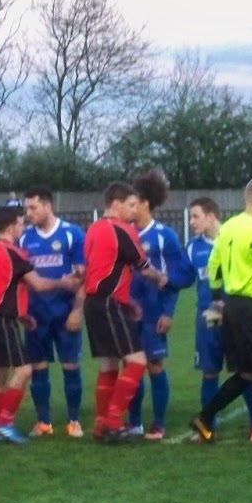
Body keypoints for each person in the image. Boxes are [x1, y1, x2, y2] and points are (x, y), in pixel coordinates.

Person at [187, 177, 252, 451]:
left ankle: (204, 417)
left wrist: (218, 297)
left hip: (230, 307)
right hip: (251, 308)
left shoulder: (229, 227)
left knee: (246, 374)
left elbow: (214, 263)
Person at [0, 204, 75, 444]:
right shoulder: (14, 253)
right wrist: (64, 282)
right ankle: (5, 423)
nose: (23, 227)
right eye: (21, 223)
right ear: (11, 226)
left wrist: (20, 315)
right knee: (24, 369)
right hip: (1, 320)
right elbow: (39, 284)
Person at [83, 182, 163, 443]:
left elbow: (103, 268)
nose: (134, 210)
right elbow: (143, 265)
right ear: (115, 204)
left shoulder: (93, 229)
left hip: (93, 303)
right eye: (130, 205)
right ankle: (114, 422)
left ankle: (100, 424)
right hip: (109, 305)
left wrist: (128, 300)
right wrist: (161, 277)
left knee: (108, 364)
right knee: (138, 362)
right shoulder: (123, 229)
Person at [127, 169, 193, 440]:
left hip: (154, 311)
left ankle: (159, 423)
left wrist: (168, 312)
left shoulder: (165, 236)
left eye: (133, 202)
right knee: (131, 366)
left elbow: (182, 275)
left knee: (154, 365)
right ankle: (133, 423)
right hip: (128, 311)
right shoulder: (124, 234)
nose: (130, 207)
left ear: (145, 203)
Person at [186, 197, 252, 438]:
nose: (191, 221)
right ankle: (207, 427)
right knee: (209, 371)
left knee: (245, 371)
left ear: (211, 216)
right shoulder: (193, 247)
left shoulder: (235, 240)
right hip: (208, 319)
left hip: (237, 317)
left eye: (196, 216)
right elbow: (184, 277)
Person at [18, 185, 87, 437]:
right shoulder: (24, 238)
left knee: (71, 366)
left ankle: (74, 421)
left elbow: (83, 276)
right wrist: (23, 312)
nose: (29, 212)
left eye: (33, 207)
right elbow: (20, 280)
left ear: (48, 206)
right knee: (38, 368)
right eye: (27, 208)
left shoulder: (72, 234)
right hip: (36, 316)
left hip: (65, 313)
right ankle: (44, 422)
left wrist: (77, 311)